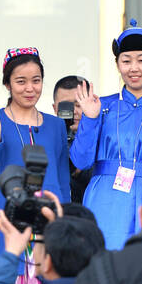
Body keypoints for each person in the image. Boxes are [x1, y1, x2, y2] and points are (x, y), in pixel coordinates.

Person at [68, 21, 142, 249]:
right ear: (117, 64)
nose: (134, 68)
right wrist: (90, 119)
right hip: (104, 198)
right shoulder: (100, 107)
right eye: (126, 60)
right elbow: (80, 161)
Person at [0, 48, 72, 271]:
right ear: (7, 84)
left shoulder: (56, 126)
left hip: (49, 221)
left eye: (36, 80)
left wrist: (62, 222)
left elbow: (63, 182)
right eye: (21, 81)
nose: (30, 88)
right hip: (6, 221)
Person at [52, 76, 93, 204]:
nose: (74, 111)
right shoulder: (46, 139)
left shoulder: (104, 139)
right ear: (54, 108)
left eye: (79, 104)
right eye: (66, 106)